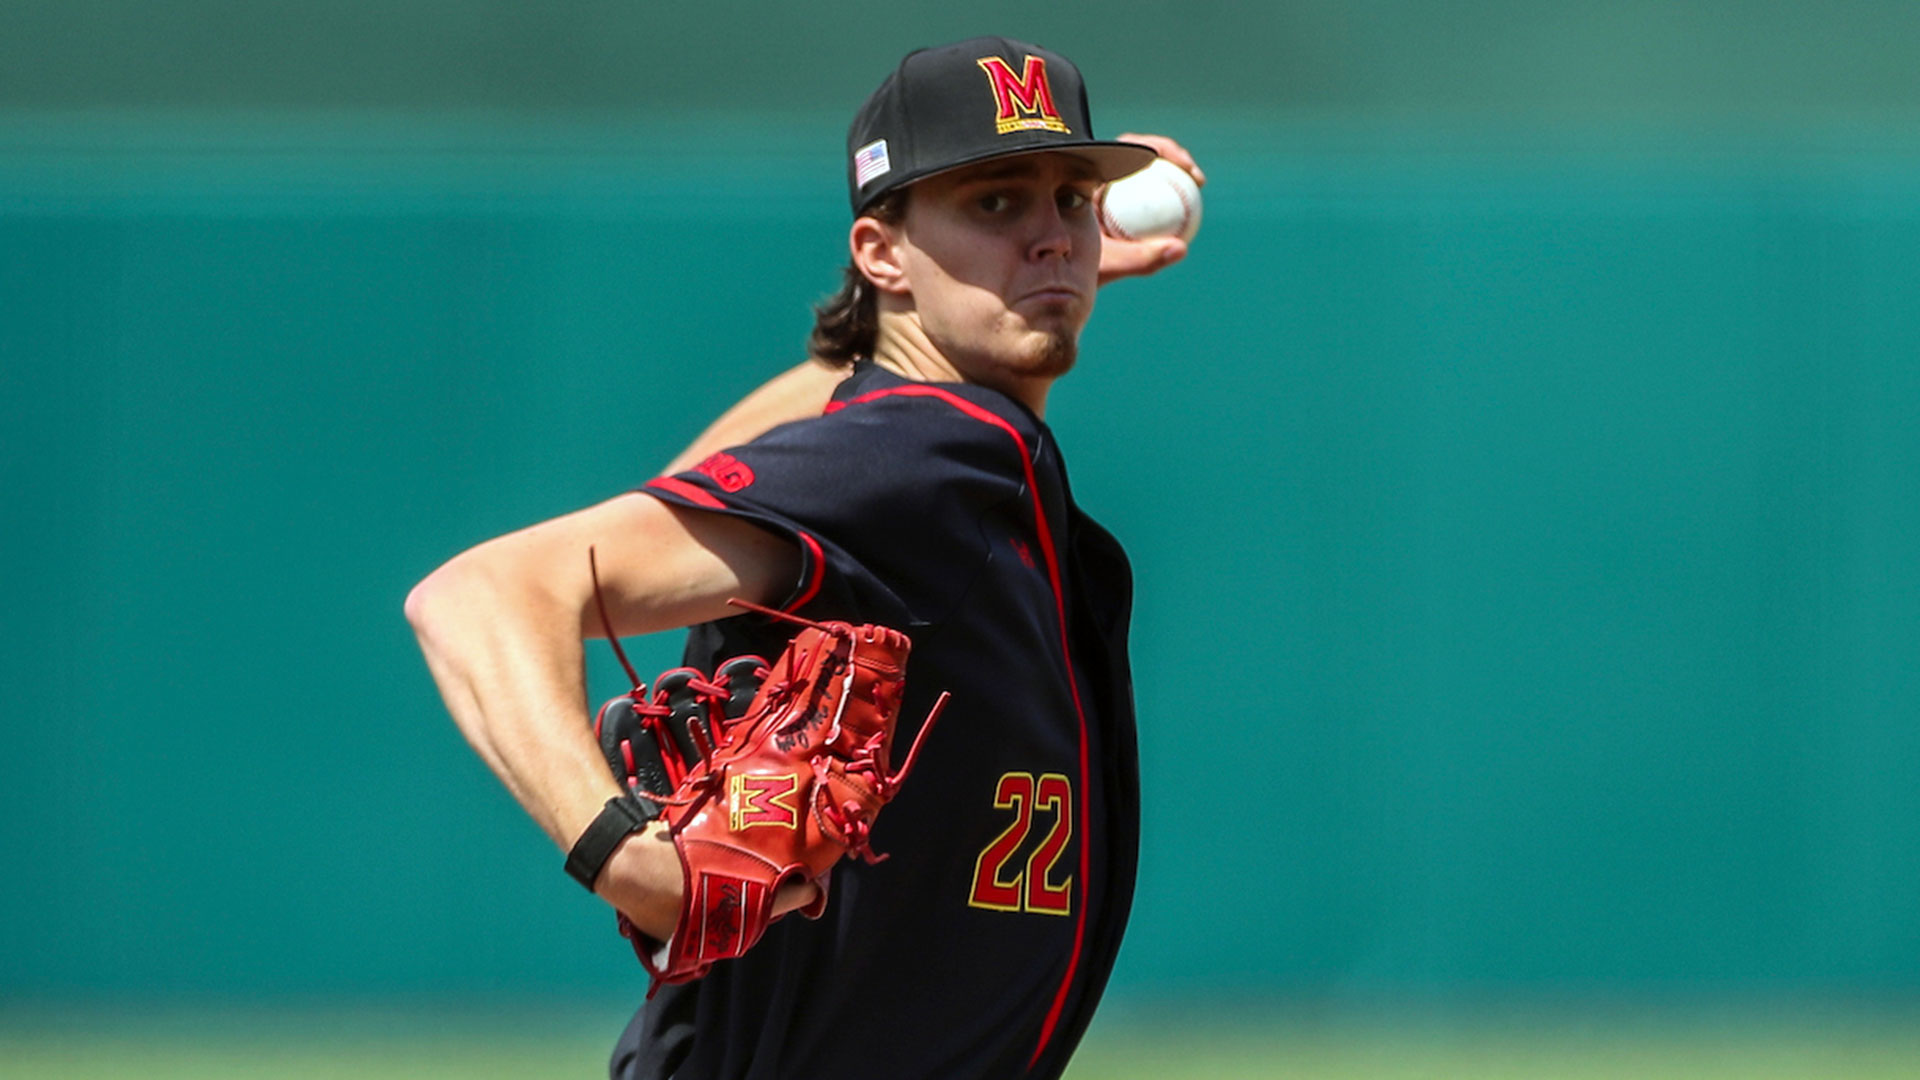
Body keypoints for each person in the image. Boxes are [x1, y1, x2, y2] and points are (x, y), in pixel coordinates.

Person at [405, 36, 1202, 1080]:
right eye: (995, 205)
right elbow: (478, 596)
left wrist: (1001, 285)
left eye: (1069, 201)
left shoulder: (911, 453)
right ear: (881, 252)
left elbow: (771, 448)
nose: (1050, 235)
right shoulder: (939, 457)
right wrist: (629, 861)